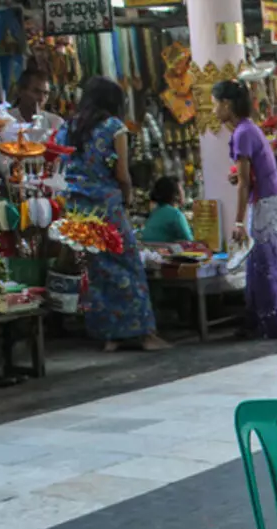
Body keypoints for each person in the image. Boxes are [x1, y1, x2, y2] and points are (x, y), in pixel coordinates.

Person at [56, 76, 167, 352]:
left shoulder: (68, 128)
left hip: (78, 210)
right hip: (107, 206)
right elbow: (122, 174)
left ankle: (109, 336)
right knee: (129, 266)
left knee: (97, 271)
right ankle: (143, 333)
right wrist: (127, 197)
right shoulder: (114, 128)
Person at [213, 79, 277, 339]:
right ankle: (260, 322)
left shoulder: (243, 133)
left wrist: (237, 222)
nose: (213, 110)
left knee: (265, 263)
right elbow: (247, 176)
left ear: (227, 104)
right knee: (260, 263)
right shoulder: (246, 129)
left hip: (265, 203)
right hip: (269, 200)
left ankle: (271, 324)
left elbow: (245, 184)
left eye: (215, 104)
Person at [140, 176, 194, 244]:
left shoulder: (155, 212)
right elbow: (190, 241)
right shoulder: (176, 215)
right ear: (176, 194)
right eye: (182, 189)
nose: (183, 192)